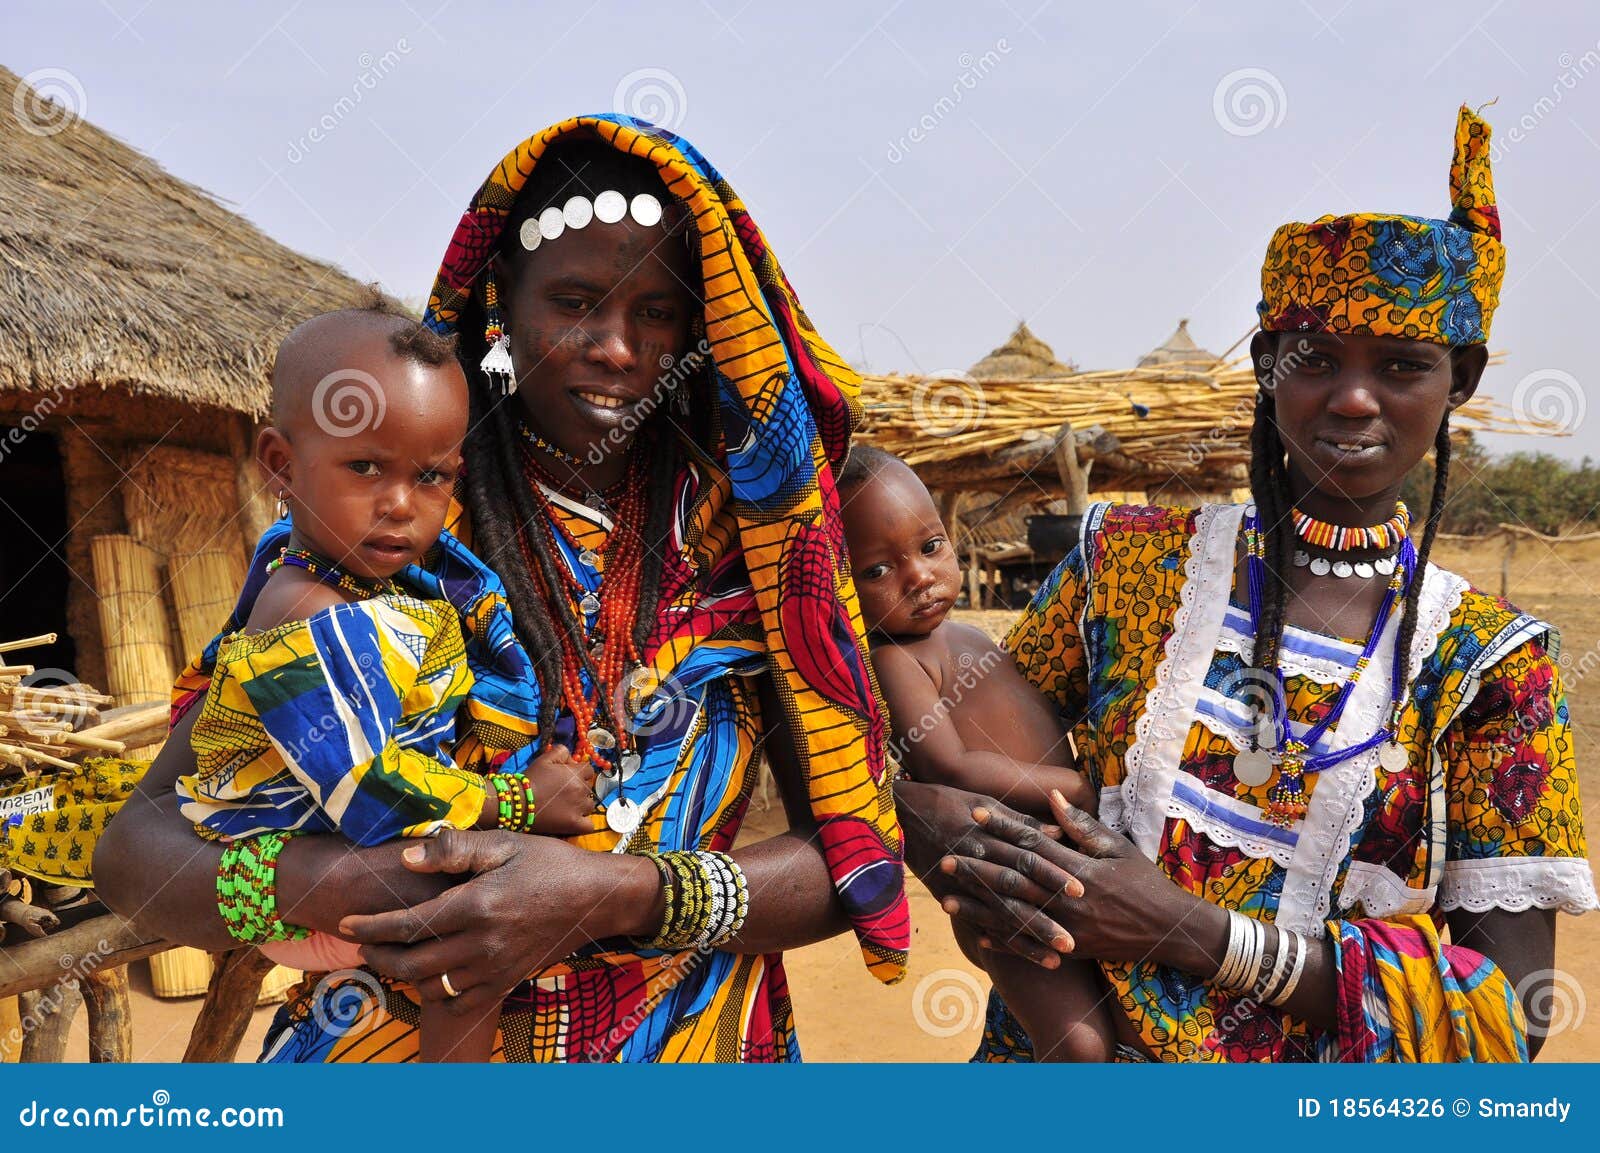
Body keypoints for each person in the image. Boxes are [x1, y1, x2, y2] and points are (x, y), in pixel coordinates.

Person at [92, 116, 909, 1063]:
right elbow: (135, 852)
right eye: (574, 303)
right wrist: (333, 878)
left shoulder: (761, 546)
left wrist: (619, 893)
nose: (616, 345)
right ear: (500, 311)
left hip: (695, 1047)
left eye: (655, 313)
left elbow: (855, 857)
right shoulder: (385, 537)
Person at [895, 105, 1598, 1062]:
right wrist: (933, 825)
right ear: (1268, 366)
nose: (1353, 398)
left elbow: (1512, 1014)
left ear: (1461, 378)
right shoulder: (1125, 566)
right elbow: (963, 754)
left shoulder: (1490, 669)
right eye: (1313, 360)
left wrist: (1189, 929)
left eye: (1402, 365)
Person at [174, 308, 594, 1061]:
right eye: (366, 467)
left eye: (430, 475)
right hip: (304, 880)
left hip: (340, 853)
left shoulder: (383, 591)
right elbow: (367, 789)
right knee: (467, 924)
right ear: (279, 464)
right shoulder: (302, 607)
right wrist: (519, 800)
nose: (401, 503)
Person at [838, 445, 1114, 1061]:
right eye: (878, 570)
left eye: (930, 546)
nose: (918, 576)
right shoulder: (898, 658)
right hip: (1005, 886)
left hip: (1050, 867)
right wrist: (1075, 788)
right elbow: (948, 764)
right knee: (1078, 1046)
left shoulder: (966, 634)